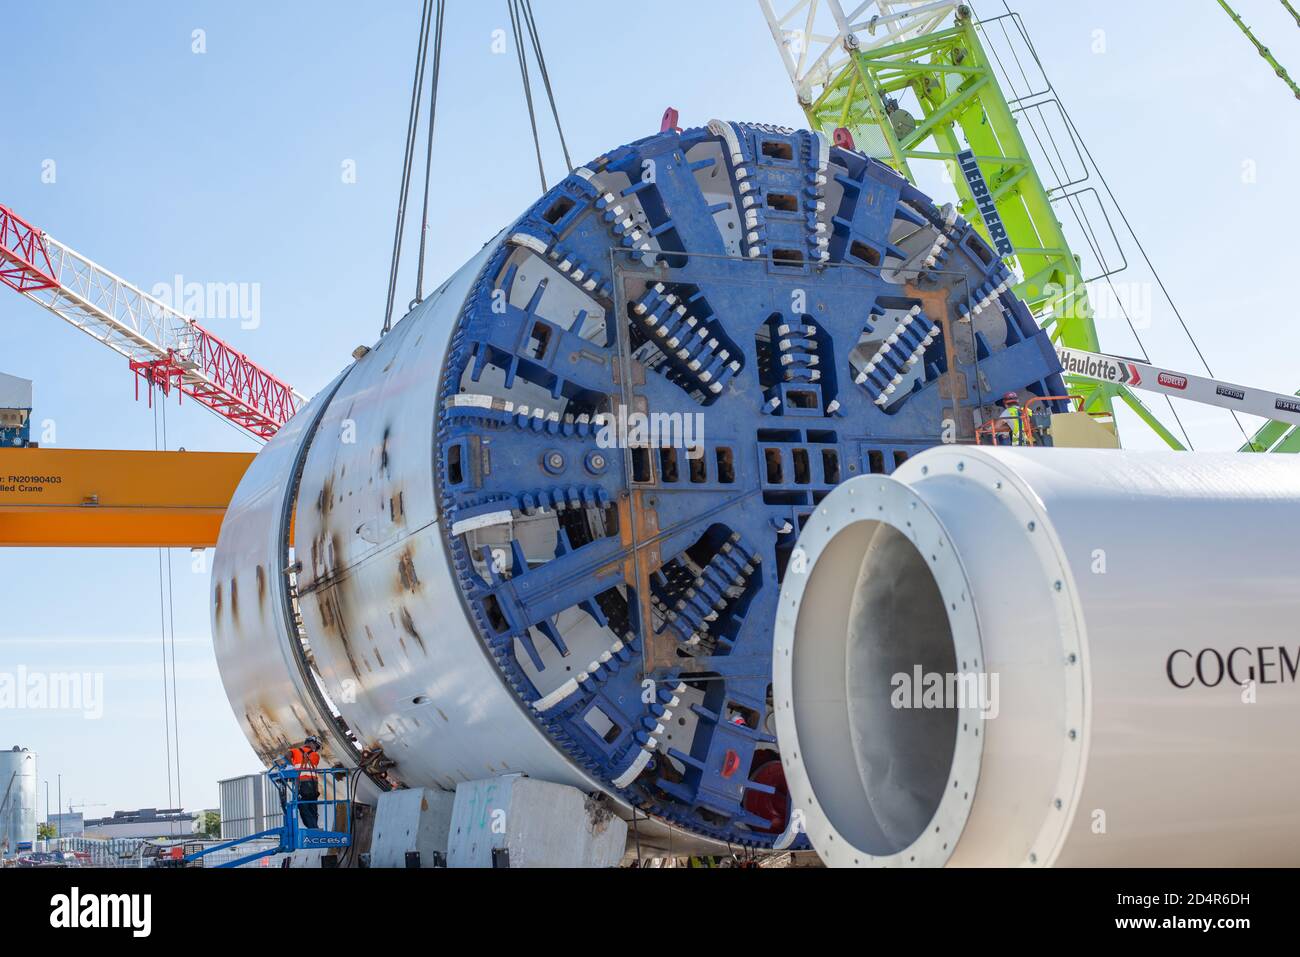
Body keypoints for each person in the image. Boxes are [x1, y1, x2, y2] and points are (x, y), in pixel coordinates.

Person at [287, 736, 322, 830]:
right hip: (314, 787)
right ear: (311, 743)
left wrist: (291, 766)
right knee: (313, 809)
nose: (316, 749)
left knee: (303, 807)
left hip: (302, 785)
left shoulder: (295, 751)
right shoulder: (316, 756)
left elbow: (287, 755)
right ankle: (314, 828)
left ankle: (313, 829)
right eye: (316, 746)